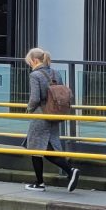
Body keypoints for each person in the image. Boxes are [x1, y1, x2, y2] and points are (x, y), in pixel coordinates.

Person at [23, 47, 81, 192]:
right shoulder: (56, 73)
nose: (30, 65)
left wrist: (29, 109)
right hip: (55, 114)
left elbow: (35, 98)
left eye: (30, 62)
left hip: (41, 115)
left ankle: (42, 181)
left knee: (36, 149)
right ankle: (68, 171)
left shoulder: (35, 75)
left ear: (35, 60)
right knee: (50, 147)